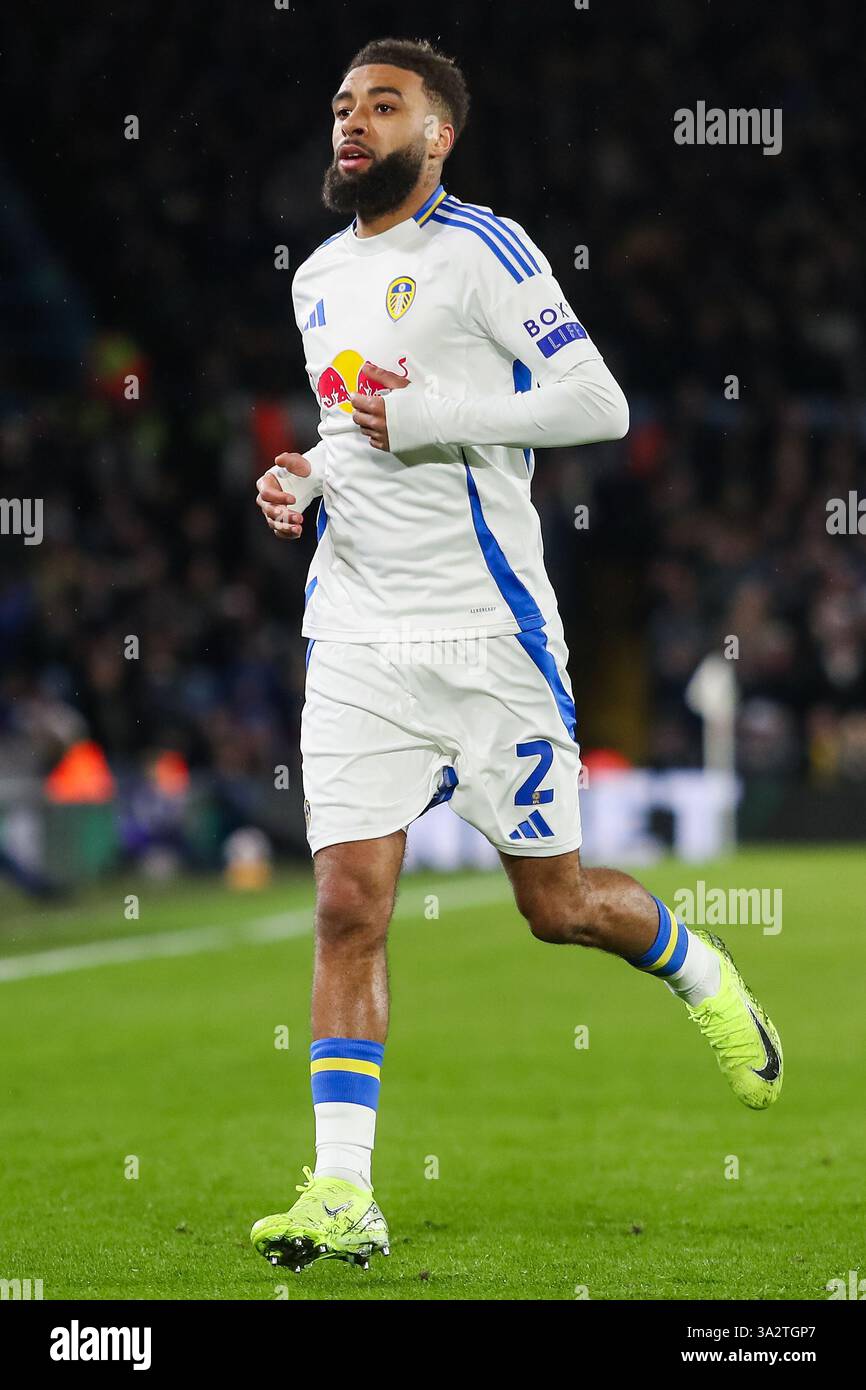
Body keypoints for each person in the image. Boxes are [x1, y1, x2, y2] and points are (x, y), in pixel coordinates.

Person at [250, 37, 782, 1275]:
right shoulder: (319, 274)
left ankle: (698, 969)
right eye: (339, 103)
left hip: (489, 635)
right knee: (345, 905)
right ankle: (342, 1194)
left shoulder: (483, 251)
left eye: (382, 105)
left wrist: (434, 415)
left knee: (555, 906)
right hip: (359, 632)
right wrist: (306, 476)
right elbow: (353, 428)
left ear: (437, 136)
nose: (350, 122)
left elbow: (595, 403)